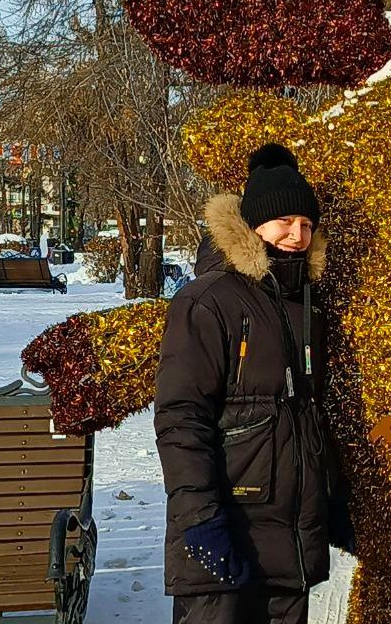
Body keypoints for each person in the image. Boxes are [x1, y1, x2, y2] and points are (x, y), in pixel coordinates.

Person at [154, 143, 352, 624]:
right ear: (253, 224)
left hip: (290, 539)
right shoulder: (208, 302)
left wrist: (333, 499)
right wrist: (200, 519)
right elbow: (181, 418)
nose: (296, 235)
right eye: (284, 221)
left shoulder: (306, 306)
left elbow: (307, 415)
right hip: (227, 525)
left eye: (306, 224)